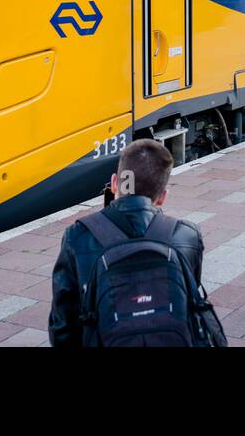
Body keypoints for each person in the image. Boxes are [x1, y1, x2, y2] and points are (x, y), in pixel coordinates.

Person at [48, 138, 210, 347]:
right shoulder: (187, 235)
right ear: (162, 197)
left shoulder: (77, 237)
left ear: (115, 182)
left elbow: (63, 325)